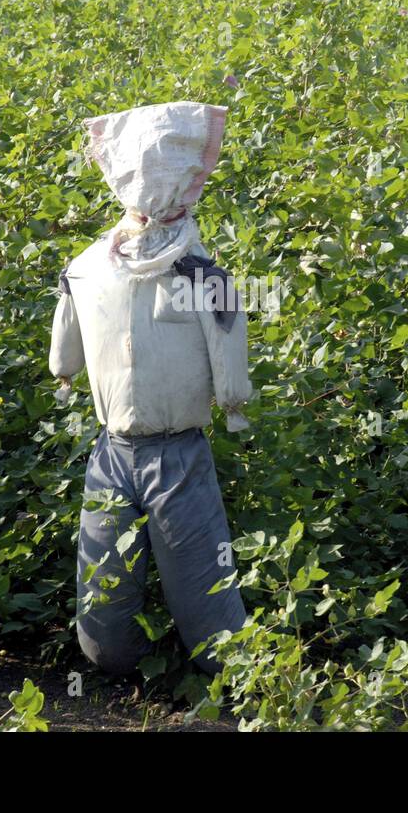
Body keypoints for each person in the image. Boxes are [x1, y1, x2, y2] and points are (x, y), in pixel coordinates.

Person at [49, 100, 252, 675]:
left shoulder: (201, 275)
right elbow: (64, 352)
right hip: (113, 453)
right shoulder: (88, 269)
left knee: (204, 588)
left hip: (180, 451)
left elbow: (229, 363)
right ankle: (123, 672)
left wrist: (233, 405)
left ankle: (232, 678)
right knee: (103, 605)